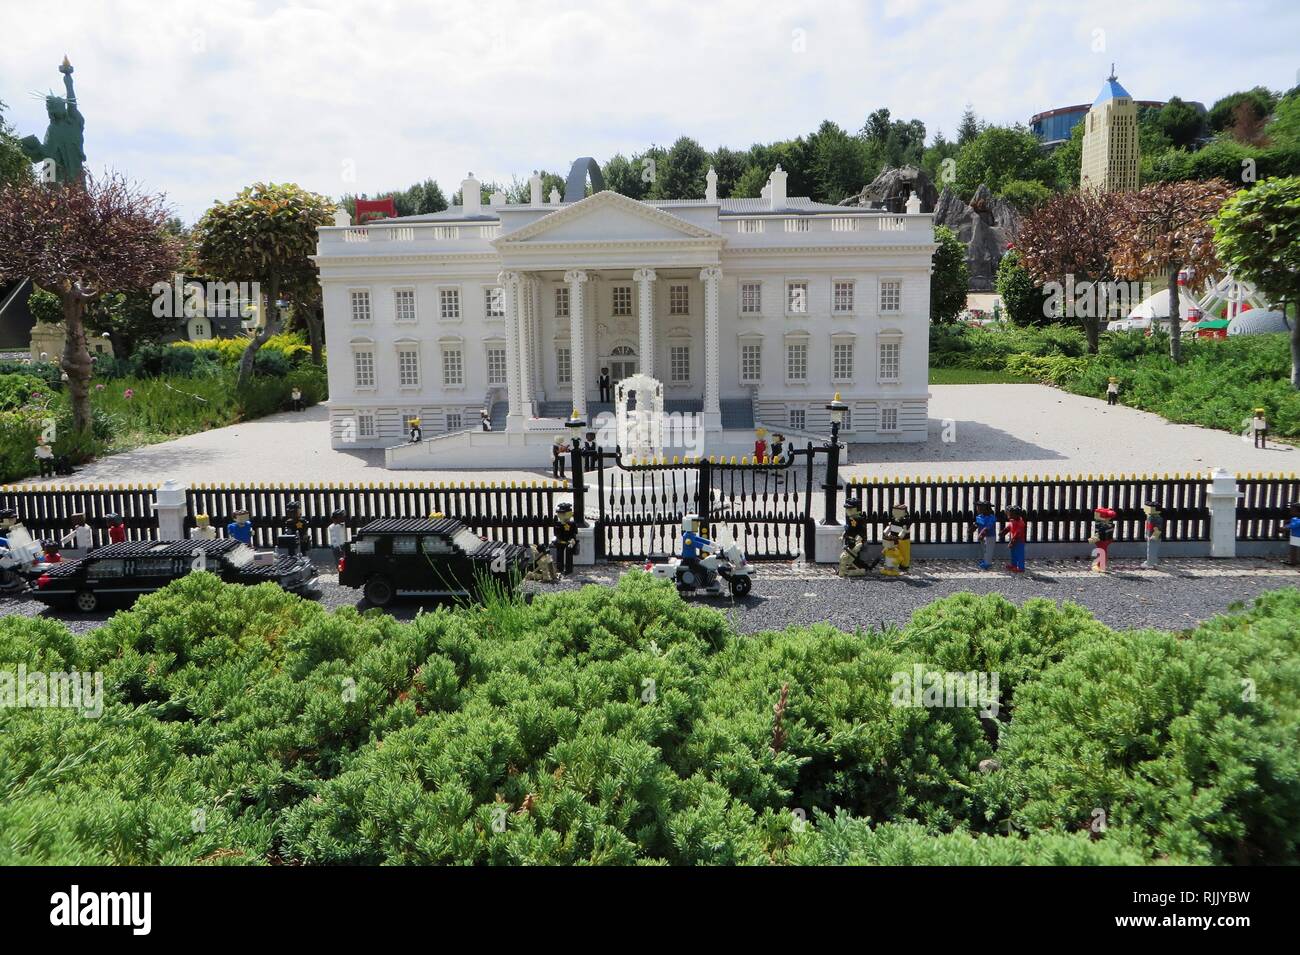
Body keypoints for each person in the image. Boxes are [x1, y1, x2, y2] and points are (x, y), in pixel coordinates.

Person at [678, 514, 716, 587]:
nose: (698, 525)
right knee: (704, 570)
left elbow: (700, 540)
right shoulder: (687, 537)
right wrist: (711, 549)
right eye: (696, 523)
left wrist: (712, 543)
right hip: (689, 560)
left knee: (704, 564)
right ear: (690, 524)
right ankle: (705, 584)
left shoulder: (690, 534)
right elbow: (697, 544)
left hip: (693, 558)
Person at [838, 495, 871, 578]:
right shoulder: (851, 519)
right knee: (849, 558)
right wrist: (844, 534)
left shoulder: (859, 520)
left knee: (845, 557)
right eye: (847, 509)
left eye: (850, 509)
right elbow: (849, 529)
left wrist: (858, 542)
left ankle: (844, 572)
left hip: (856, 542)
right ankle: (846, 570)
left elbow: (861, 532)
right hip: (850, 541)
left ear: (857, 509)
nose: (847, 511)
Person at [887, 503, 913, 572]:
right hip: (894, 537)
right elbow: (890, 527)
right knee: (893, 552)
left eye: (898, 512)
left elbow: (905, 529)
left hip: (904, 539)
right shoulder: (893, 519)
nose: (895, 513)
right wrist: (888, 532)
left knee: (904, 552)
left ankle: (904, 565)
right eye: (894, 511)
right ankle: (893, 564)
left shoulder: (905, 520)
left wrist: (903, 532)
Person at [552, 502, 578, 575]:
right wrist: (555, 539)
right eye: (560, 514)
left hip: (569, 541)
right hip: (560, 541)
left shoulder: (572, 524)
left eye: (563, 514)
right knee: (559, 555)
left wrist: (572, 541)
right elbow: (556, 534)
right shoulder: (557, 524)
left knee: (569, 554)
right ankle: (559, 569)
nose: (561, 515)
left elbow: (573, 534)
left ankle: (568, 570)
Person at [1089, 506, 1116, 573]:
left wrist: (1094, 538)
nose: (1095, 516)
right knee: (1102, 552)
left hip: (1102, 540)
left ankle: (1100, 566)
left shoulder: (1103, 525)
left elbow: (1100, 533)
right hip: (1106, 540)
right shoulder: (1109, 524)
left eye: (1097, 515)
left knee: (1101, 552)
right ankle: (1100, 565)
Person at [973, 500, 997, 570]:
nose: (978, 509)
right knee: (984, 549)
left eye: (979, 508)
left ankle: (988, 563)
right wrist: (972, 528)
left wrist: (981, 534)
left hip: (990, 536)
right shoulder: (980, 517)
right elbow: (977, 524)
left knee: (988, 550)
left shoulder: (991, 518)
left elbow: (987, 527)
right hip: (982, 537)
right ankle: (986, 560)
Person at [1142, 497, 1164, 569]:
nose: (1145, 509)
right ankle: (1151, 561)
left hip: (1154, 536)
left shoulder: (1156, 518)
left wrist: (1155, 535)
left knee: (1152, 550)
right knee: (1151, 549)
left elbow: (1158, 528)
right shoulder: (1150, 517)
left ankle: (1150, 563)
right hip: (1150, 534)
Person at [1003, 505, 1026, 573]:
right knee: (1013, 553)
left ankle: (1021, 567)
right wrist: (1005, 531)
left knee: (1019, 554)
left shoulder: (1020, 523)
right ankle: (1014, 565)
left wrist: (1012, 542)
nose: (1008, 515)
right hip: (1014, 539)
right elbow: (1010, 526)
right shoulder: (1013, 520)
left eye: (1010, 514)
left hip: (1019, 541)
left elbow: (1017, 534)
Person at [1287, 501, 1300, 567]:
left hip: (1297, 536)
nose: (1291, 512)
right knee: (1293, 549)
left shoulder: (1298, 520)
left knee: (1295, 550)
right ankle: (1293, 561)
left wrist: (1285, 528)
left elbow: (1293, 525)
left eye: (1293, 511)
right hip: (1294, 536)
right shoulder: (1294, 519)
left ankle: (1294, 561)